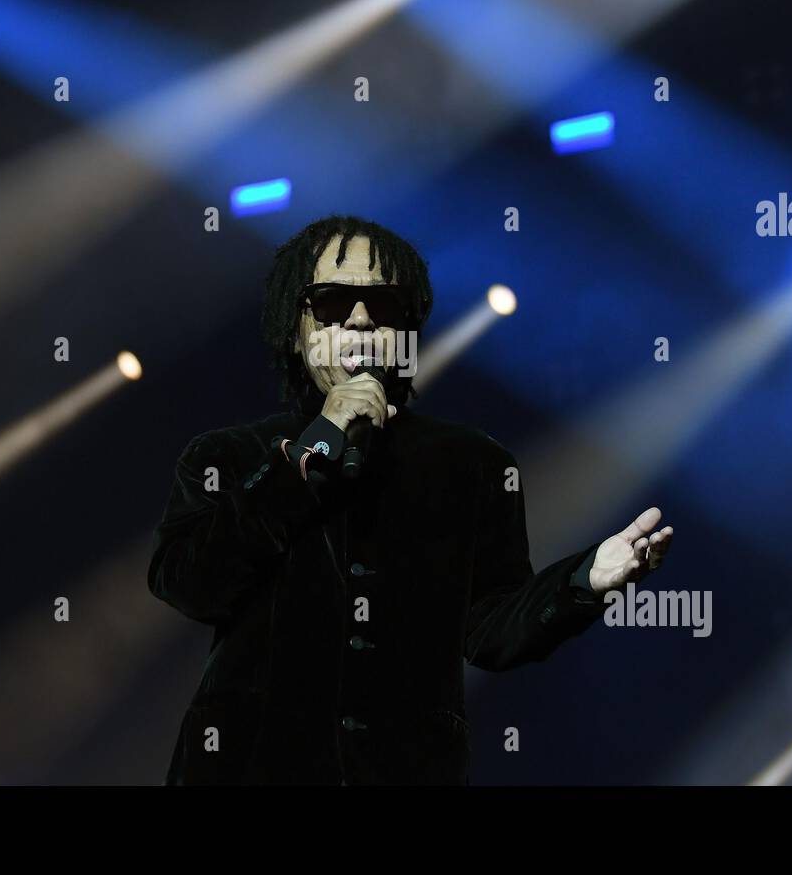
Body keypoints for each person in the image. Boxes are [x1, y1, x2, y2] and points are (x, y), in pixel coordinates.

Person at [148, 214, 674, 784]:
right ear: (293, 324)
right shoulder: (227, 456)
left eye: (385, 306)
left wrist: (583, 582)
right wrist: (314, 449)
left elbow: (490, 631)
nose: (359, 320)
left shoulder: (474, 463)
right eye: (330, 302)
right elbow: (190, 583)